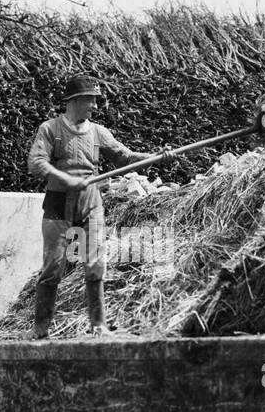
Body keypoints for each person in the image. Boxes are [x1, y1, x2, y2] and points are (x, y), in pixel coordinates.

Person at [26, 74, 168, 338]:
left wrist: (156, 157)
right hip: (58, 205)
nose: (94, 106)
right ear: (75, 101)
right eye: (90, 101)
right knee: (52, 268)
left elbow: (124, 157)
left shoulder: (98, 132)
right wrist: (66, 178)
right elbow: (36, 163)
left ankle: (98, 324)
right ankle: (41, 328)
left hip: (91, 204)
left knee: (95, 265)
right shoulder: (50, 129)